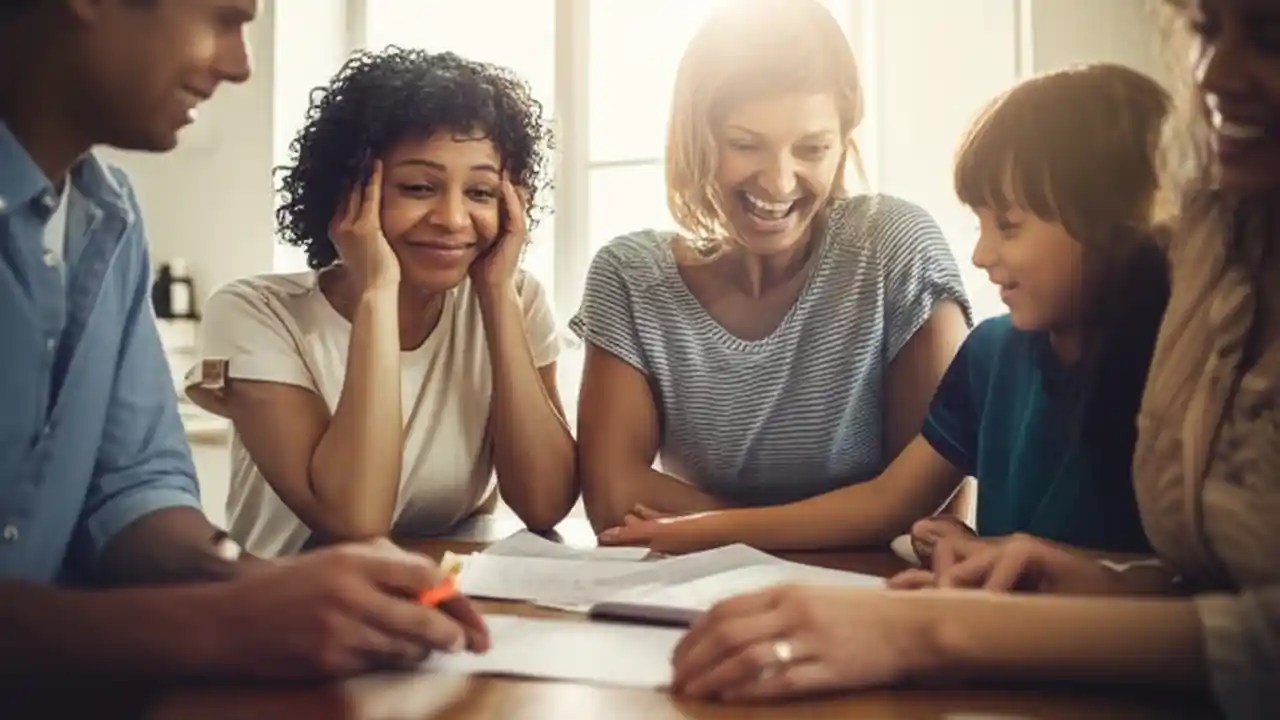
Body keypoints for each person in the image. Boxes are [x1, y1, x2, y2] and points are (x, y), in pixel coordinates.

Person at [667, 1, 1279, 718]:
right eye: (1204, 31)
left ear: (1116, 224)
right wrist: (1107, 579)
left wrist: (932, 629)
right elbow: (1219, 587)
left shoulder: (1160, 346)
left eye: (1010, 226)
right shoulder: (1024, 348)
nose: (1211, 75)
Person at [0, 0, 487, 681]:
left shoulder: (109, 216)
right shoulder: (259, 308)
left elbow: (132, 491)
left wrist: (265, 583)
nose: (239, 64)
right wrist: (208, 624)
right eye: (222, 17)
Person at [601, 63, 1172, 558]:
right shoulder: (991, 355)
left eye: (1009, 226)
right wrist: (704, 531)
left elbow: (1223, 590)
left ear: (1109, 227)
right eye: (979, 224)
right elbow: (885, 505)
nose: (979, 254)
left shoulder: (1180, 369)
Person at [571, 0, 972, 535]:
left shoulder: (894, 251)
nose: (779, 183)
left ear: (843, 141)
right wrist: (843, 523)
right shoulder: (630, 278)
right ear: (696, 136)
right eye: (745, 145)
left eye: (812, 148)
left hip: (870, 603)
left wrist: (708, 528)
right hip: (694, 599)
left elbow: (932, 517)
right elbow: (614, 497)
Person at [184, 48, 577, 558]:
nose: (454, 219)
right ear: (347, 193)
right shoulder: (254, 313)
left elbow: (545, 503)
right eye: (419, 187)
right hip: (289, 612)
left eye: (480, 192)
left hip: (452, 602)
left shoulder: (514, 297)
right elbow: (355, 520)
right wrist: (376, 292)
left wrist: (498, 296)